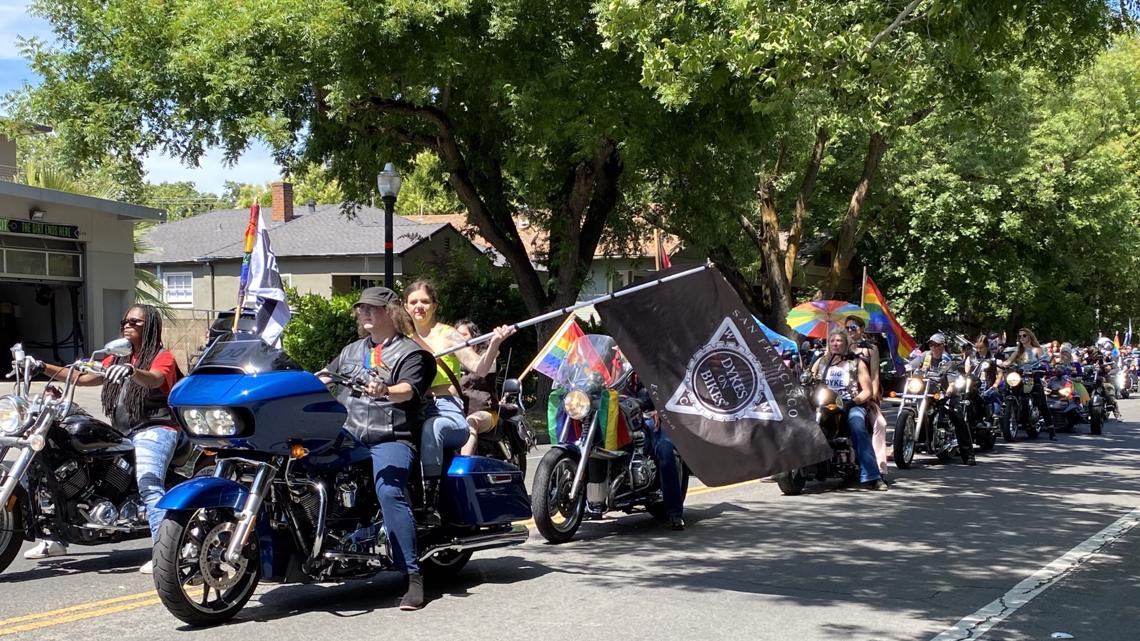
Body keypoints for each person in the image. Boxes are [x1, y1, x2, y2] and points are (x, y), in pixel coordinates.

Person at [23, 304, 182, 573]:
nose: (127, 324)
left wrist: (134, 372)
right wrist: (41, 365)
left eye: (135, 321)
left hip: (156, 429)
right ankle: (55, 538)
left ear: (151, 326)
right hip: (123, 431)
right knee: (52, 463)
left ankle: (163, 552)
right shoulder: (116, 359)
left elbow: (156, 379)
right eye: (125, 320)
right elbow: (82, 377)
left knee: (148, 483)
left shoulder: (161, 357)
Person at [318, 287, 435, 611]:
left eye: (373, 308)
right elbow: (326, 376)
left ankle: (412, 577)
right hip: (348, 435)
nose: (365, 313)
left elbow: (408, 391)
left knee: (389, 490)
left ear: (391, 312)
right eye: (362, 308)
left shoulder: (410, 353)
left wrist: (386, 389)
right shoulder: (351, 350)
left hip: (391, 436)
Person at [403, 281, 514, 523]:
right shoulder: (401, 339)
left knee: (434, 428)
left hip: (444, 406)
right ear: (405, 307)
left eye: (424, 301)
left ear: (434, 306)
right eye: (413, 302)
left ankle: (430, 503)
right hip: (411, 406)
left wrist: (495, 342)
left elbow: (480, 367)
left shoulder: (447, 335)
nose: (419, 306)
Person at [811, 329, 886, 490]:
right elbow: (808, 379)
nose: (835, 344)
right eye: (832, 341)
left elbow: (867, 391)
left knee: (857, 426)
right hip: (822, 403)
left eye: (839, 341)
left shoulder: (856, 363)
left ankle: (873, 476)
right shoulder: (821, 362)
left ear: (846, 344)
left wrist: (851, 403)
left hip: (848, 403)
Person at [626, 372, 685, 529]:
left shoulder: (656, 358)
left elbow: (674, 384)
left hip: (652, 415)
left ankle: (675, 512)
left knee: (665, 449)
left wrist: (661, 409)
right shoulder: (616, 361)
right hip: (623, 416)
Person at [453, 320, 516, 456]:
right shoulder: (451, 358)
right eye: (456, 335)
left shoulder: (487, 354)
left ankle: (464, 465)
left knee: (470, 422)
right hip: (457, 410)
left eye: (464, 334)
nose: (460, 339)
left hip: (485, 411)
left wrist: (493, 348)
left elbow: (487, 368)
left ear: (474, 336)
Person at [845, 315, 888, 479]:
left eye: (853, 327)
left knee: (880, 424)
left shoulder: (870, 348)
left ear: (861, 329)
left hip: (865, 394)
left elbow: (875, 374)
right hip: (844, 394)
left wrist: (872, 396)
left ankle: (879, 466)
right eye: (847, 328)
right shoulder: (842, 345)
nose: (850, 331)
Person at [1002, 327, 1052, 438]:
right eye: (1020, 336)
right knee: (1008, 389)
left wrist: (1044, 364)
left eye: (1024, 335)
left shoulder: (1036, 349)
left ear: (1029, 336)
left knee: (1042, 401)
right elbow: (1009, 361)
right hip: (1020, 377)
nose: (1022, 338)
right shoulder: (1018, 351)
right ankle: (1011, 412)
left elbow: (1045, 361)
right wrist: (1002, 363)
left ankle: (1051, 428)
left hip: (1033, 377)